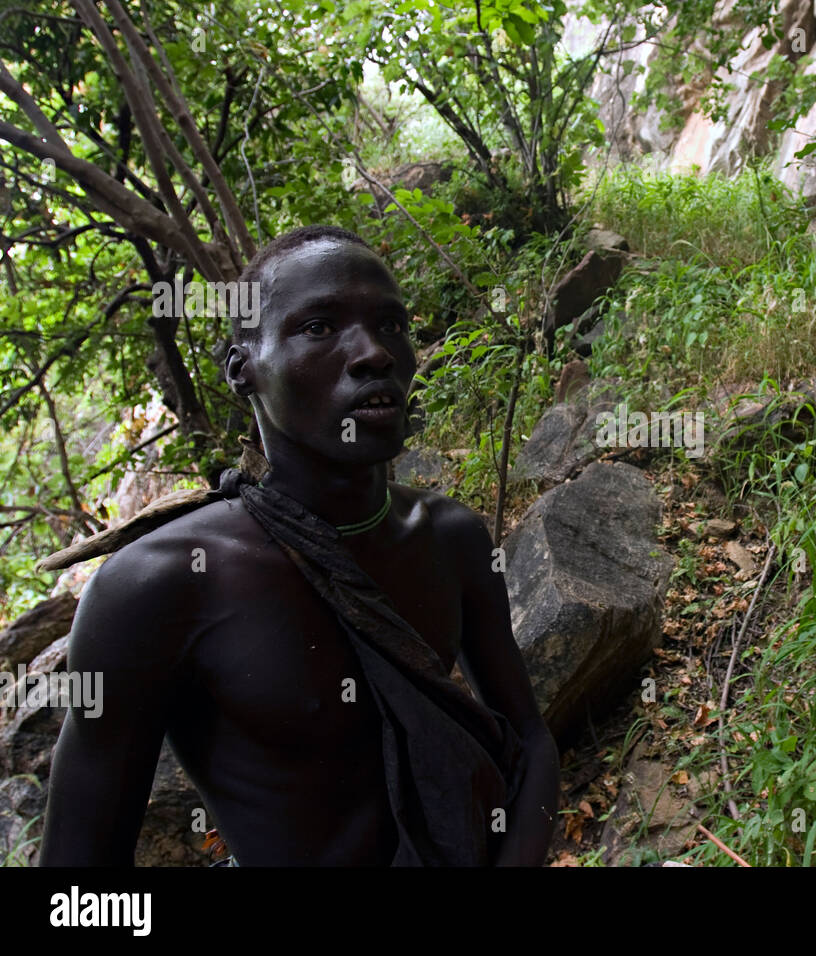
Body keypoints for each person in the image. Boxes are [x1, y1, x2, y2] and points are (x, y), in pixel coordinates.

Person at [38, 226, 559, 866]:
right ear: (242, 369)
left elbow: (530, 740)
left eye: (392, 324)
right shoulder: (159, 585)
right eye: (318, 327)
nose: (375, 353)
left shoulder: (451, 538)